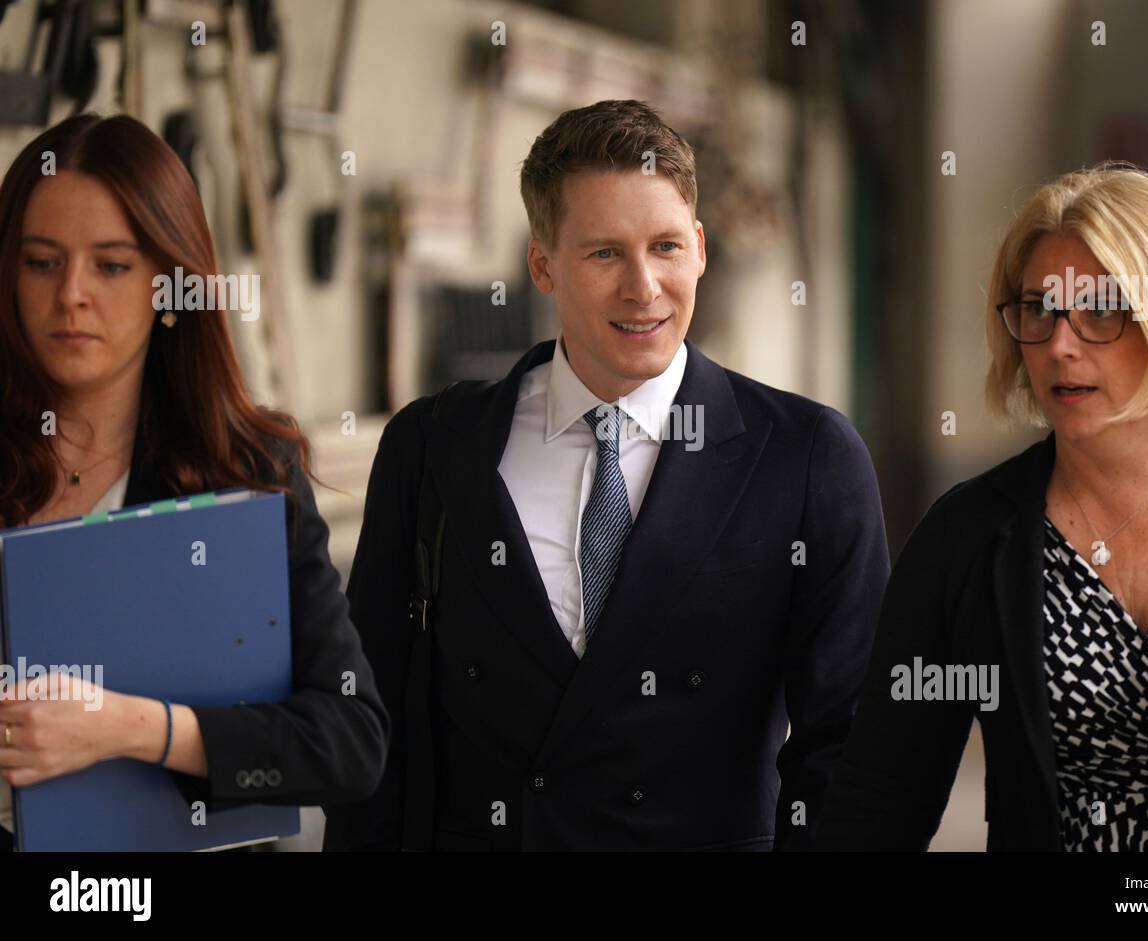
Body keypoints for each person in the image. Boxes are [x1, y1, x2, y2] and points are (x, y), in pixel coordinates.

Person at [322, 99, 890, 851]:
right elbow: (373, 726)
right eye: (603, 253)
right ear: (542, 265)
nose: (643, 286)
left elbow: (850, 748)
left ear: (700, 247)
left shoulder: (809, 456)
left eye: (664, 246)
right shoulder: (433, 446)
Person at [819, 163, 1148, 852]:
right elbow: (877, 799)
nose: (1059, 345)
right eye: (1039, 309)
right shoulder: (967, 539)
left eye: (1101, 308)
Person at [0, 114, 388, 851]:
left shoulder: (246, 469)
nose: (71, 295)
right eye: (42, 261)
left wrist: (131, 728)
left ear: (170, 285)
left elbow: (350, 740)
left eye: (112, 265)